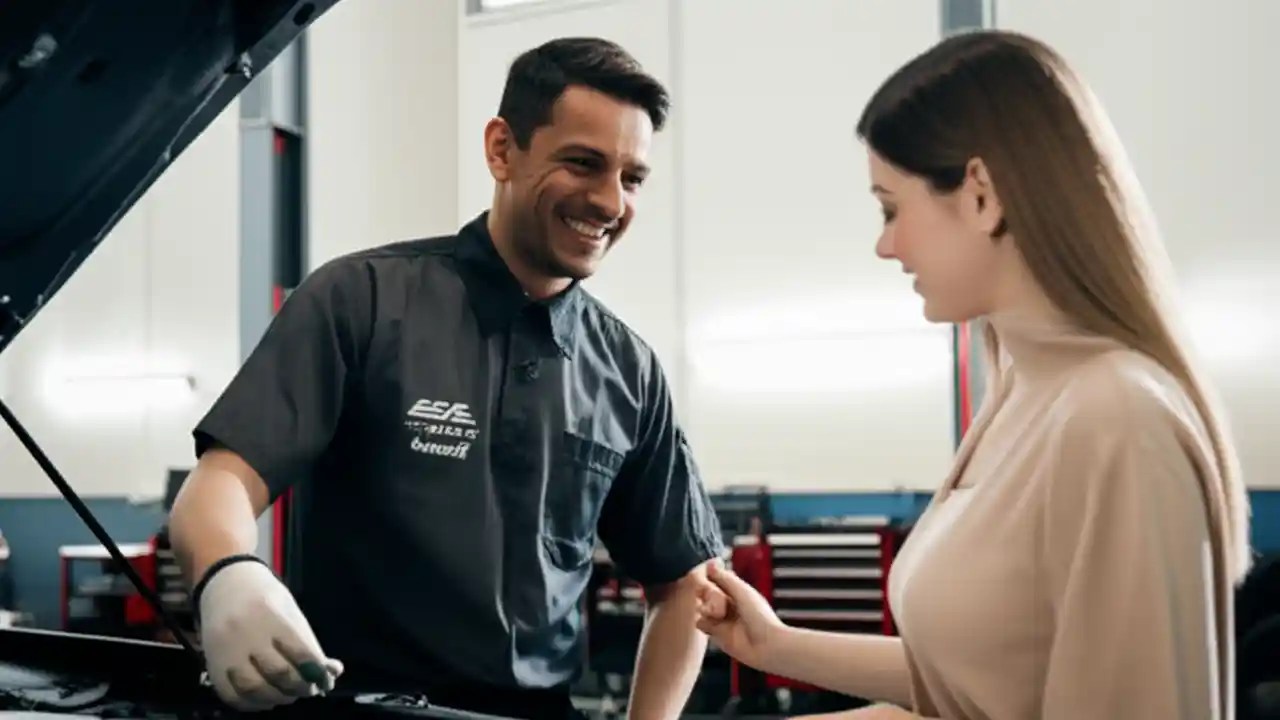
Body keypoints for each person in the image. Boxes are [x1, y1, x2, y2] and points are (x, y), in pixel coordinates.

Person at [694, 29, 1250, 720]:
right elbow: (974, 686)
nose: (884, 244)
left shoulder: (1115, 418)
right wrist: (775, 646)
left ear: (981, 194)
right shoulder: (1024, 390)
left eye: (891, 208)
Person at [168, 36, 725, 720]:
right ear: (501, 149)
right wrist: (229, 576)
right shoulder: (362, 301)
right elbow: (218, 484)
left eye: (632, 177)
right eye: (583, 163)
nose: (610, 202)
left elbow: (684, 584)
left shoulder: (628, 372)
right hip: (356, 705)